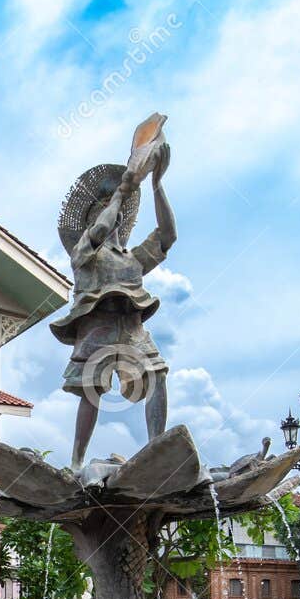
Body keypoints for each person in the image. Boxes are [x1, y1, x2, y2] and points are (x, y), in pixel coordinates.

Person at [53, 120, 177, 472]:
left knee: (157, 376)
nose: (113, 215)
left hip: (132, 325)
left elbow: (168, 235)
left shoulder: (133, 259)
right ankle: (77, 462)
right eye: (101, 209)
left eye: (118, 212)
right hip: (96, 326)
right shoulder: (85, 254)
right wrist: (120, 193)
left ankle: (157, 450)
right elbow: (101, 229)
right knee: (91, 391)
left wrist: (156, 185)